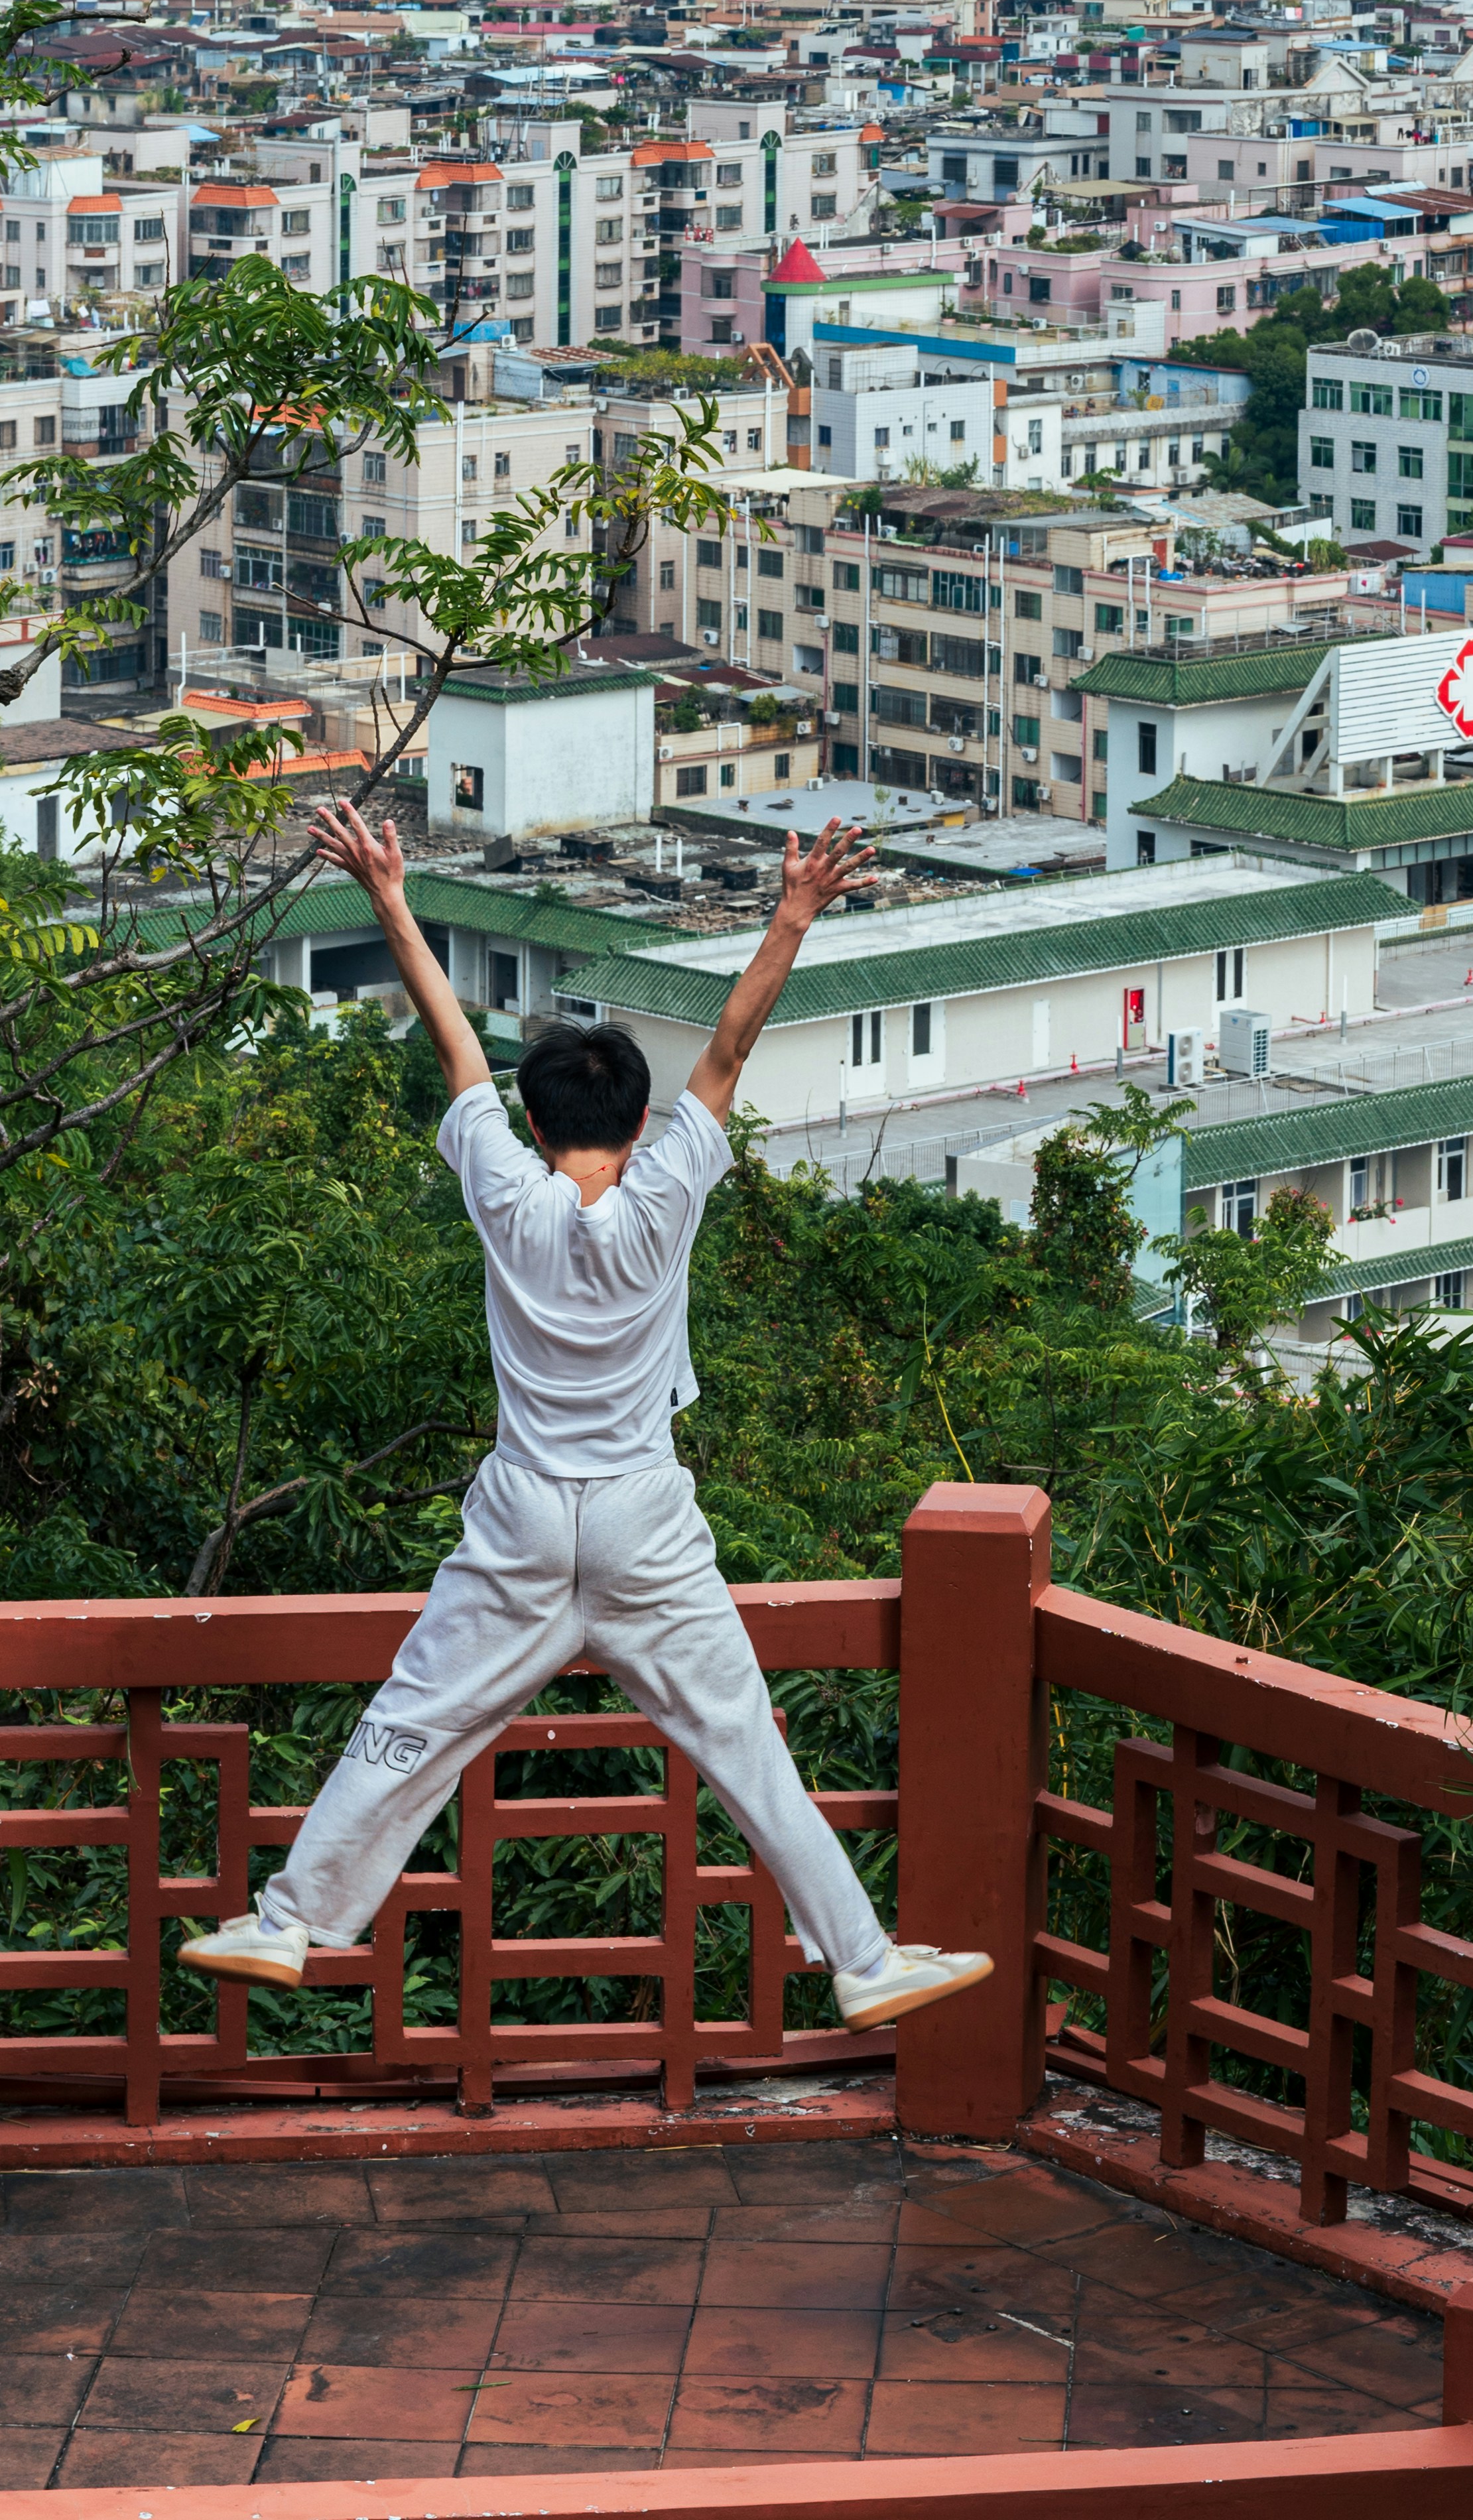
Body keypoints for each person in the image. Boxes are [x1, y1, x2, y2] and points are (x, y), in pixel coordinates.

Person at [179, 796, 991, 2033]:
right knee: (743, 1746)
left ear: (541, 1119)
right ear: (639, 1119)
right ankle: (863, 1959)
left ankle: (293, 1922)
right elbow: (728, 1049)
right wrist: (793, 911)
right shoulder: (669, 1193)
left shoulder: (505, 1186)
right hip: (642, 1517)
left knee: (415, 1720)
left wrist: (394, 899)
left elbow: (456, 1051)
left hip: (521, 1510)